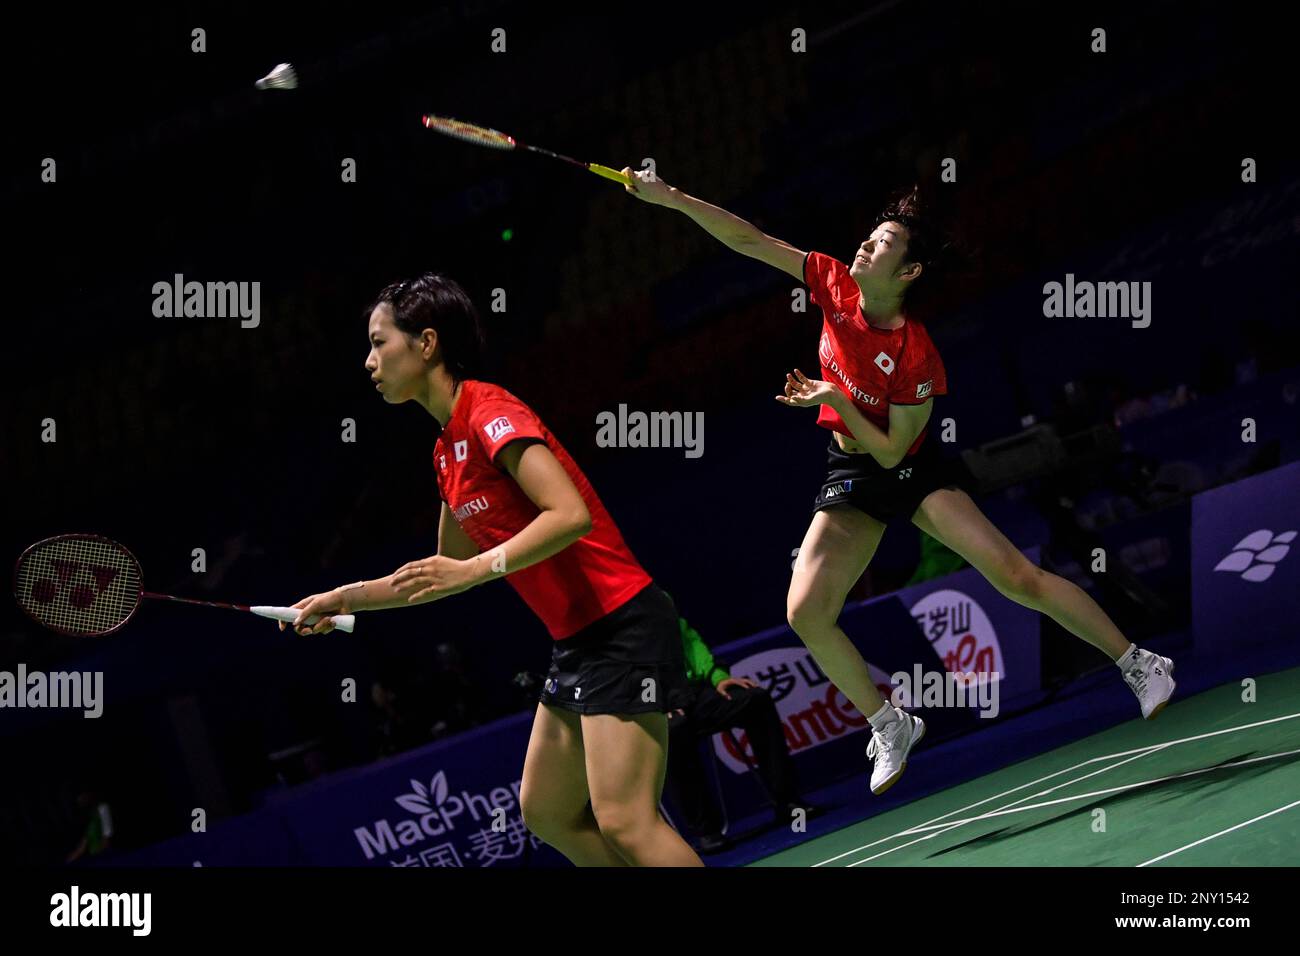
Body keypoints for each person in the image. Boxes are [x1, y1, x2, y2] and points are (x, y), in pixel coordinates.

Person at [622, 172, 1176, 795]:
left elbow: (891, 452)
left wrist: (835, 397)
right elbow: (749, 241)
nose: (865, 246)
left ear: (907, 273)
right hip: (851, 471)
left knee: (1016, 577)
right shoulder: (832, 282)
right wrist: (670, 199)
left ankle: (1138, 662)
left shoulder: (916, 355)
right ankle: (889, 723)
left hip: (909, 471)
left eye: (883, 243)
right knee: (804, 612)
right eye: (870, 236)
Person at [282, 273, 702, 866]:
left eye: (379, 343)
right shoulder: (446, 450)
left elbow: (570, 515)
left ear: (425, 343)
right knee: (549, 810)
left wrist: (479, 567)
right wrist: (341, 599)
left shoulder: (488, 410)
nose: (369, 361)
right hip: (578, 640)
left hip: (620, 622)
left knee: (625, 820)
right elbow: (440, 573)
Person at [663, 613, 821, 853]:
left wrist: (718, 677)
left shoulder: (657, 599)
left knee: (755, 701)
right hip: (657, 703)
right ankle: (706, 830)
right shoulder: (611, 619)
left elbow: (692, 643)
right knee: (673, 732)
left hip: (697, 690)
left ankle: (787, 801)